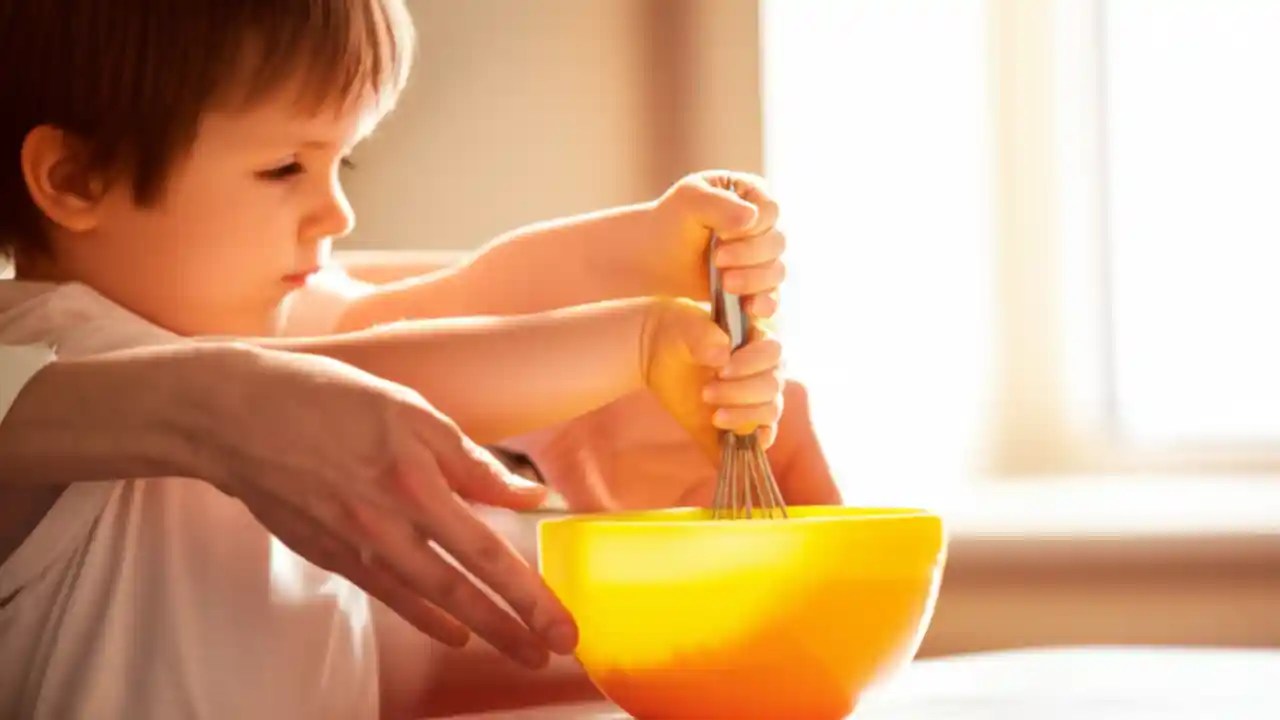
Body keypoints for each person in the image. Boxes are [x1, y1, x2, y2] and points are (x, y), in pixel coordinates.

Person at [0, 0, 789, 717]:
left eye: (342, 163)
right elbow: (390, 380)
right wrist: (640, 343)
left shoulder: (233, 327)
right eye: (284, 167)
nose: (338, 210)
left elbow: (459, 300)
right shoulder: (44, 340)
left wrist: (636, 244)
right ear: (78, 177)